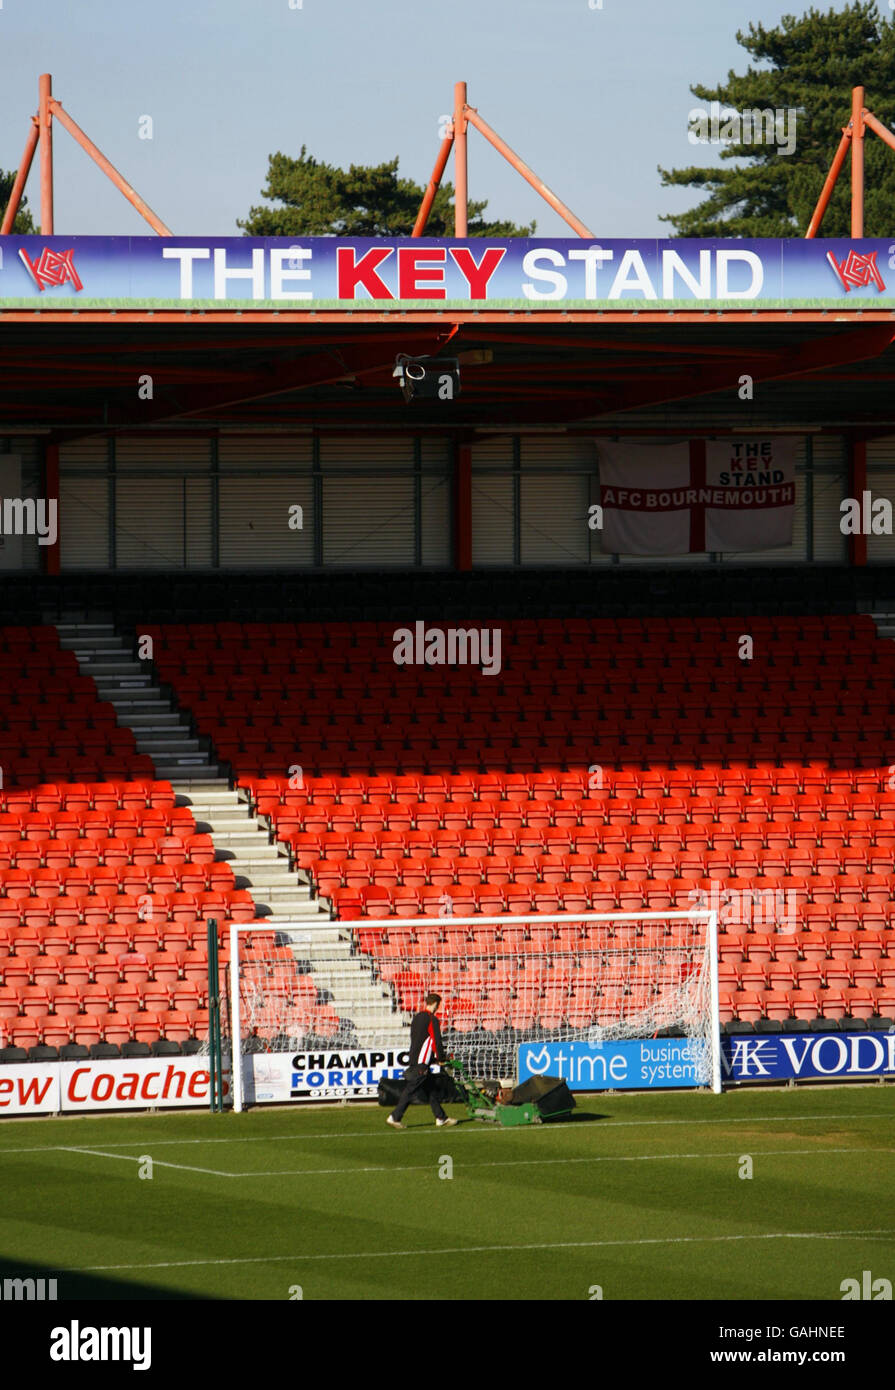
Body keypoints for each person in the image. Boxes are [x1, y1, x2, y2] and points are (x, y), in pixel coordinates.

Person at [387, 993, 458, 1129]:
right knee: (411, 1090)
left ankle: (440, 1117)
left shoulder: (417, 1017)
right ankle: (395, 1116)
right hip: (422, 1062)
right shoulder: (432, 1019)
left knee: (430, 1089)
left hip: (414, 1057)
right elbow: (436, 1041)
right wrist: (441, 1058)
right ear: (436, 1004)